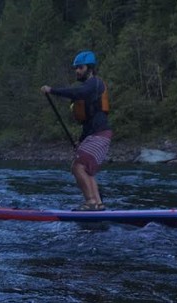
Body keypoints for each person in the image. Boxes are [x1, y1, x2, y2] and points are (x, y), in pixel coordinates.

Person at [41, 50, 112, 211]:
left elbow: (77, 92)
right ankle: (98, 204)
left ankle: (91, 202)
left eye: (80, 67)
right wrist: (81, 141)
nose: (77, 71)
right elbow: (88, 122)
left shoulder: (95, 83)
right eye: (76, 68)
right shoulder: (88, 88)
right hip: (94, 134)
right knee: (87, 170)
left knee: (77, 167)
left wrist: (52, 90)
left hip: (100, 134)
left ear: (90, 68)